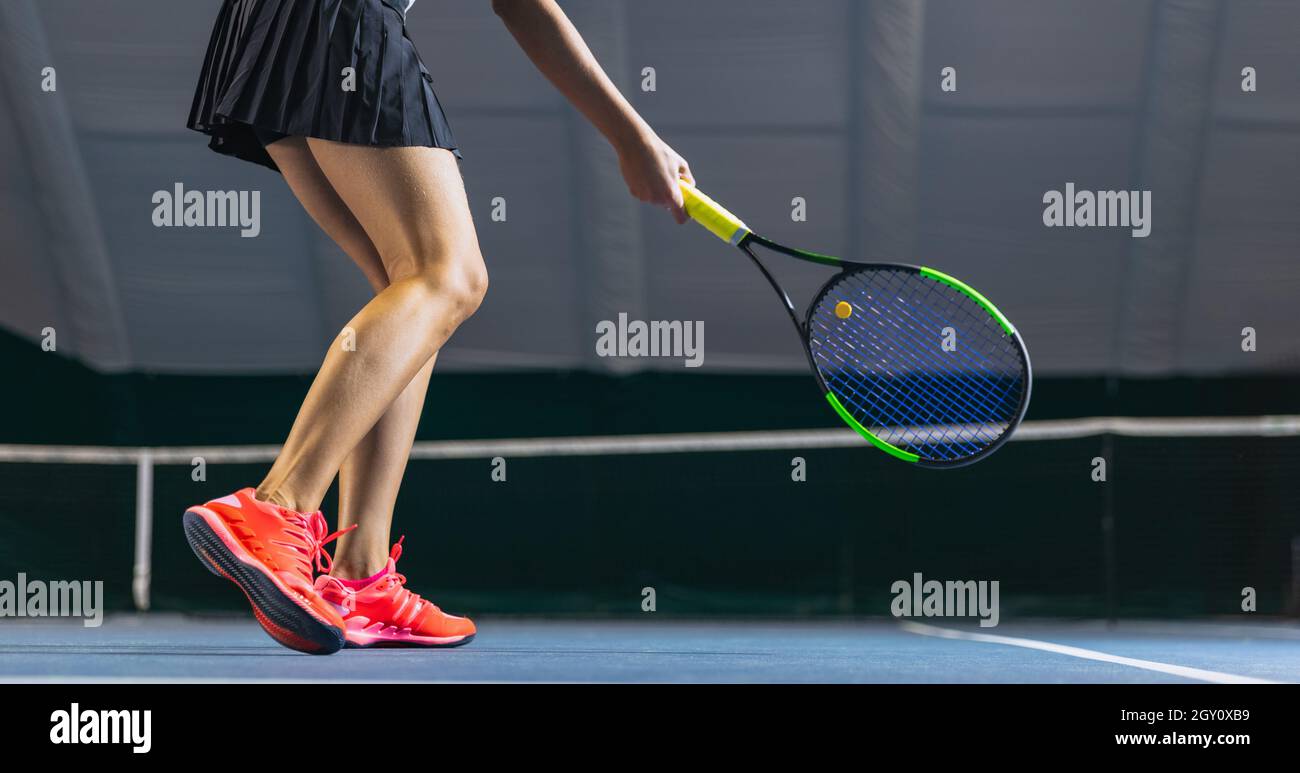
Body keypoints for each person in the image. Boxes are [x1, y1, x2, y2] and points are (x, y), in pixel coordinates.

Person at [183, 0, 692, 654]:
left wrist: (632, 137)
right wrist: (631, 137)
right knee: (450, 275)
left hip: (268, 27)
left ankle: (361, 573)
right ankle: (276, 503)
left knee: (410, 286)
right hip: (340, 20)